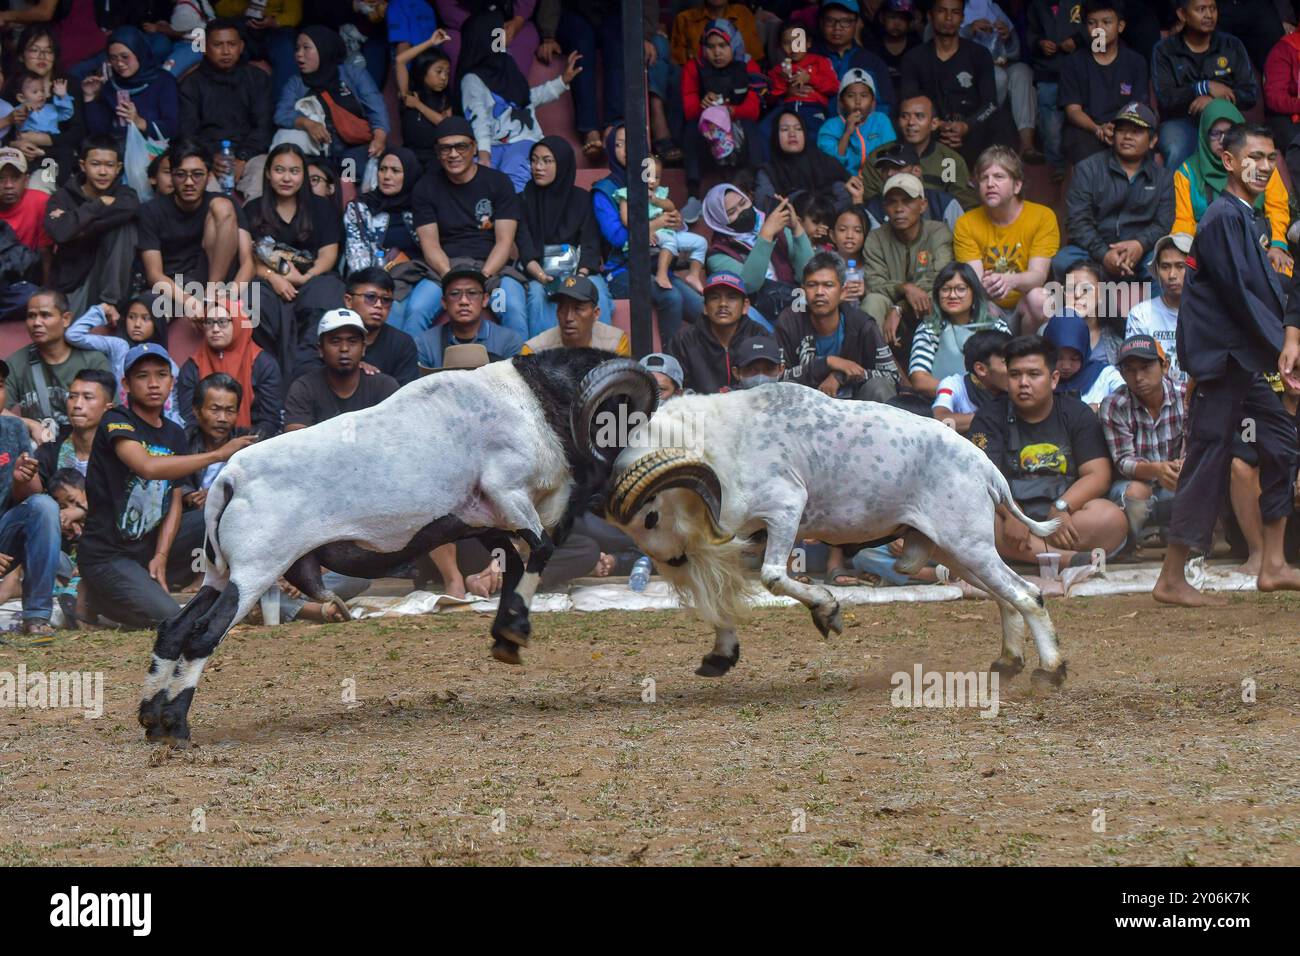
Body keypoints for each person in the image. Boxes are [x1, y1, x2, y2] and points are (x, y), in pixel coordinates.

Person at [1157, 123, 1300, 605]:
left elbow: (1260, 293)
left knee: (1280, 439)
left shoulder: (1249, 219)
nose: (1264, 166)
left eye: (1271, 158)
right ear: (1229, 161)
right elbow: (1240, 296)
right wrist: (1282, 345)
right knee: (1207, 458)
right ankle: (1172, 578)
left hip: (1241, 360)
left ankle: (1274, 563)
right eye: (1254, 157)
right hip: (1221, 361)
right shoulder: (1222, 216)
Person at [77, 342, 256, 629]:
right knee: (171, 617)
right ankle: (97, 599)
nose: (153, 384)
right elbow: (146, 467)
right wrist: (218, 454)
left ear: (171, 381)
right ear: (126, 384)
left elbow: (174, 497)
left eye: (161, 375)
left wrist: (161, 554)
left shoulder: (174, 432)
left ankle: (237, 591)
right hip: (107, 552)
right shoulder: (116, 420)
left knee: (220, 513)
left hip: (148, 546)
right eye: (142, 376)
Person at [968, 334, 1129, 567]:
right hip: (1011, 515)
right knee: (983, 522)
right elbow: (982, 478)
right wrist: (1013, 515)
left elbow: (1098, 474)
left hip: (1063, 515)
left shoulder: (1077, 413)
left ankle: (1029, 553)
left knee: (1110, 518)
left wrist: (1061, 508)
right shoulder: (989, 417)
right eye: (1015, 375)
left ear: (1054, 379)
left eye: (1033, 374)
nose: (1023, 383)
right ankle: (1069, 560)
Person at [410, 116, 528, 339]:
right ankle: (408, 374)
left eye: (460, 146)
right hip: (443, 271)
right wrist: (451, 278)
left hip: (493, 270)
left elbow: (504, 242)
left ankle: (522, 372)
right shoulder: (425, 187)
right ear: (437, 153)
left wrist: (481, 278)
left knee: (511, 307)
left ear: (474, 147)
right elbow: (430, 244)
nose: (453, 154)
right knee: (417, 309)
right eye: (445, 148)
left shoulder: (498, 182)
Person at [590, 124, 703, 346]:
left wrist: (673, 222)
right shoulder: (604, 190)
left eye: (633, 143)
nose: (627, 150)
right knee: (671, 298)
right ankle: (669, 365)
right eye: (619, 144)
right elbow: (617, 237)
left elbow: (668, 224)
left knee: (701, 308)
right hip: (622, 269)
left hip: (656, 265)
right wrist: (657, 224)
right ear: (612, 149)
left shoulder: (651, 184)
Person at [245, 141, 347, 380]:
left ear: (303, 175)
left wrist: (305, 277)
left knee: (329, 293)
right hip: (268, 281)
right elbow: (248, 258)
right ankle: (269, 376)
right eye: (279, 170)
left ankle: (308, 377)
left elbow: (328, 255)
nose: (286, 178)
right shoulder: (252, 209)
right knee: (253, 299)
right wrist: (274, 278)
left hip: (315, 277)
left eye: (294, 171)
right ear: (268, 173)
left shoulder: (321, 207)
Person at [457, 11, 581, 193]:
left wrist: (562, 81)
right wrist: (484, 155)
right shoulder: (472, 79)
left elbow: (527, 99)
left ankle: (516, 220)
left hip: (523, 140)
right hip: (490, 145)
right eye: (498, 33)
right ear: (483, 38)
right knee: (478, 178)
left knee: (514, 171)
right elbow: (479, 118)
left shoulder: (507, 63)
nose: (504, 36)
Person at [137, 138, 252, 328]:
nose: (189, 182)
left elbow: (248, 262)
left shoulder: (224, 203)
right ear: (172, 176)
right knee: (149, 309)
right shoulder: (151, 211)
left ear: (209, 176)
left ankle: (213, 293)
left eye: (197, 174)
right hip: (174, 286)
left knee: (223, 207)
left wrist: (226, 296)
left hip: (216, 282)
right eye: (181, 175)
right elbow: (154, 274)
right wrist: (190, 302)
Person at [1171, 99, 1293, 275]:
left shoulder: (1262, 166)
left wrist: (1278, 245)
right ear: (1204, 135)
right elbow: (1184, 221)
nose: (1223, 140)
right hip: (1207, 249)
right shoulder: (1186, 172)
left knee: (1281, 275)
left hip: (1259, 243)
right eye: (1215, 133)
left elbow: (1277, 208)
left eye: (1230, 132)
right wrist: (1182, 256)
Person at [1058, 101, 1174, 282]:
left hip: (1141, 253)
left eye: (1136, 132)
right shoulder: (1088, 169)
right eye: (1121, 130)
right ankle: (1077, 310)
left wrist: (1140, 244)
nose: (1127, 136)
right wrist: (1104, 254)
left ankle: (1155, 312)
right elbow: (1077, 221)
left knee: (1167, 264)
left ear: (1152, 141)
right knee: (1063, 261)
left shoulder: (1163, 178)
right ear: (1113, 135)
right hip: (1094, 252)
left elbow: (1163, 223)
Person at [952, 145, 1058, 333]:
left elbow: (1038, 276)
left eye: (999, 177)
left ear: (1017, 185)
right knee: (976, 304)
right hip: (991, 307)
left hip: (1025, 306)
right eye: (984, 178)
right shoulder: (966, 223)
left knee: (1040, 298)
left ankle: (1028, 353)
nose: (990, 183)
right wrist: (988, 285)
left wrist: (1010, 281)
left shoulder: (1042, 216)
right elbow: (975, 282)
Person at [1099, 334, 1186, 547]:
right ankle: (1131, 543)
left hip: (1178, 478)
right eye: (1130, 369)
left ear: (1164, 366)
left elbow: (1197, 444)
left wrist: (1182, 465)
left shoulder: (1185, 396)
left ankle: (1185, 540)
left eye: (1146, 367)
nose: (1138, 377)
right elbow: (1123, 461)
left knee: (1199, 479)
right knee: (1134, 492)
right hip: (1136, 483)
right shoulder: (1114, 405)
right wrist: (1156, 470)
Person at [776, 251, 900, 401]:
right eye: (812, 285)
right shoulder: (789, 322)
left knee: (880, 386)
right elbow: (777, 377)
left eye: (828, 285)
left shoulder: (862, 324)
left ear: (843, 292)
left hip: (857, 409)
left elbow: (891, 376)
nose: (819, 292)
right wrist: (826, 363)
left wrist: (841, 375)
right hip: (805, 408)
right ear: (803, 291)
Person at [519, 136, 612, 336]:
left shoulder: (581, 199)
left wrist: (579, 278)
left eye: (547, 160)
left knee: (596, 290)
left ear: (562, 164)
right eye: (534, 160)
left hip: (579, 271)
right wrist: (544, 278)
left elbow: (590, 244)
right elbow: (525, 248)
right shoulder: (524, 199)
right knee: (536, 294)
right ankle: (540, 361)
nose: (538, 167)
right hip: (540, 274)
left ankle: (603, 358)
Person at [899, 0, 1011, 164]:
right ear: (930, 16)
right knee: (907, 121)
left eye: (955, 12)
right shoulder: (914, 58)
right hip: (932, 132)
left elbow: (990, 103)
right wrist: (939, 126)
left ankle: (991, 176)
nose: (948, 17)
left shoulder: (979, 54)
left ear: (962, 18)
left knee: (1001, 119)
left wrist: (966, 126)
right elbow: (909, 101)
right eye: (942, 11)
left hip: (972, 130)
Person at [1152, 0, 1259, 171]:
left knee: (1250, 146)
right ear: (1182, 14)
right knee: (1176, 146)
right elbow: (1165, 99)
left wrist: (1215, 104)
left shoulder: (1232, 45)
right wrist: (1201, 88)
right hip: (1181, 122)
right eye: (1201, 9)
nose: (1209, 15)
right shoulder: (1165, 50)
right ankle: (1178, 198)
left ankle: (1236, 199)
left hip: (1226, 120)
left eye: (1213, 8)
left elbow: (1250, 94)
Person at [271, 26, 389, 175]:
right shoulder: (296, 83)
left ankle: (349, 195)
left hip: (355, 145)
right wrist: (307, 123)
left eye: (306, 48)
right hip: (319, 148)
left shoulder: (353, 74)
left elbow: (376, 108)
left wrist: (379, 137)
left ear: (323, 49)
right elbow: (281, 114)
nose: (299, 54)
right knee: (305, 168)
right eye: (297, 49)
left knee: (350, 169)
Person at [177, 17, 274, 198]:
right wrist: (212, 157)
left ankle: (254, 225)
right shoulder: (191, 85)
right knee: (207, 192)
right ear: (205, 47)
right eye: (218, 45)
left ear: (241, 47)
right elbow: (188, 132)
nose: (226, 51)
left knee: (261, 179)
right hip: (206, 156)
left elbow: (264, 126)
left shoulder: (257, 79)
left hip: (251, 155)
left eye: (232, 44)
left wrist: (243, 157)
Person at [42, 135, 138, 316]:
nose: (103, 172)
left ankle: (109, 304)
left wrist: (77, 227)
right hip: (72, 280)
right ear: (82, 165)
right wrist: (99, 203)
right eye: (95, 164)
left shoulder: (125, 195)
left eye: (109, 165)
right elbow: (60, 233)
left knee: (125, 227)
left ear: (118, 168)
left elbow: (129, 209)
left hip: (110, 282)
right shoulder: (62, 197)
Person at [341, 147, 432, 336]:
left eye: (395, 171)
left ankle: (411, 363)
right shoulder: (360, 208)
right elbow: (358, 259)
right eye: (382, 169)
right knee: (394, 308)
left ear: (409, 175)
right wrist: (378, 285)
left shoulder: (421, 208)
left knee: (417, 310)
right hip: (379, 278)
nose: (386, 176)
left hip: (419, 276)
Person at [861, 172, 955, 352]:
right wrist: (904, 288)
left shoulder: (938, 232)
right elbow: (874, 284)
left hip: (923, 307)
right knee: (873, 301)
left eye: (907, 201)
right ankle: (878, 365)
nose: (899, 208)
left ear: (923, 205)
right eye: (892, 202)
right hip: (888, 310)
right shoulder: (876, 238)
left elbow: (940, 278)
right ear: (884, 207)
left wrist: (900, 307)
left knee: (942, 296)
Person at [0, 366, 61, 644]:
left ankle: (36, 617)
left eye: (0, 385)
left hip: (4, 534)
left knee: (44, 506)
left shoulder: (12, 429)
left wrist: (23, 478)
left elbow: (30, 497)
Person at [682, 19, 767, 210]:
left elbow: (753, 110)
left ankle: (755, 189)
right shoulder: (694, 66)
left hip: (738, 133)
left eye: (723, 45)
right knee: (690, 128)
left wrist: (728, 110)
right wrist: (703, 106)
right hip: (709, 136)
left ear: (734, 44)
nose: (717, 52)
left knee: (753, 128)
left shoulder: (748, 64)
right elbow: (688, 110)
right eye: (710, 47)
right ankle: (694, 196)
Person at [702, 183, 813, 326]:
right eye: (731, 212)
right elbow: (748, 285)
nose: (742, 211)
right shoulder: (718, 254)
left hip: (795, 303)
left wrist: (796, 229)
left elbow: (808, 272)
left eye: (743, 203)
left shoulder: (777, 226)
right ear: (719, 221)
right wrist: (765, 237)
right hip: (760, 317)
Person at [1059, 0, 1150, 168]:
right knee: (1085, 155)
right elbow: (1073, 111)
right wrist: (1097, 129)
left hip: (1126, 127)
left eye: (1106, 22)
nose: (1098, 29)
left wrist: (1119, 130)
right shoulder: (1073, 63)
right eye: (1092, 23)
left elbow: (1139, 106)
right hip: (1086, 129)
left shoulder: (1135, 62)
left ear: (1120, 26)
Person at [176, 298, 282, 440]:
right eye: (208, 322)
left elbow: (269, 420)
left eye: (222, 322)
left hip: (251, 445)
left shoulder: (263, 364)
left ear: (237, 323)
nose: (215, 329)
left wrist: (246, 445)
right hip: (205, 447)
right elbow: (190, 418)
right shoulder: (192, 366)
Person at [5, 289, 112, 431]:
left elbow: (112, 412)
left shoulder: (93, 361)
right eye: (31, 316)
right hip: (37, 447)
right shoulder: (16, 363)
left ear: (66, 319)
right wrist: (30, 425)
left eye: (45, 315)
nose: (36, 322)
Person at [65, 293, 181, 424]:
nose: (137, 324)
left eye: (145, 318)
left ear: (157, 322)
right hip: (120, 422)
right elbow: (73, 335)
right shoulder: (119, 347)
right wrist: (102, 309)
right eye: (132, 317)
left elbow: (172, 409)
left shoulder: (170, 365)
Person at [284, 309, 400, 431]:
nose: (344, 348)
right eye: (335, 341)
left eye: (352, 341)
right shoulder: (304, 388)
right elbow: (295, 442)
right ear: (320, 349)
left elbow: (397, 436)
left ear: (363, 348)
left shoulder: (384, 387)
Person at [907, 260, 1008, 398]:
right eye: (945, 289)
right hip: (943, 405)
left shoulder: (996, 327)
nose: (952, 295)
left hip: (993, 404)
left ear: (974, 293)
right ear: (937, 295)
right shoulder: (929, 329)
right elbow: (919, 379)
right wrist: (962, 394)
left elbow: (1012, 370)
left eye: (961, 289)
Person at [863, 92, 978, 208]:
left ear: (934, 124)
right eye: (904, 116)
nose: (911, 122)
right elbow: (872, 204)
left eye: (919, 116)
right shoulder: (880, 158)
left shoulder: (950, 161)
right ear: (898, 122)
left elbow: (962, 205)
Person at [960, 0, 1039, 161]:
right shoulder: (958, 8)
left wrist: (1007, 37)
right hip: (972, 69)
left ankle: (1027, 145)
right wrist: (970, 30)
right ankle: (987, 137)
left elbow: (1014, 52)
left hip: (1001, 62)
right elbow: (950, 47)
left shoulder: (994, 8)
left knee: (1022, 72)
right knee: (998, 76)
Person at [80, 26, 179, 155]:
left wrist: (139, 122)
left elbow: (173, 129)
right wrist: (90, 97)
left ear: (139, 53)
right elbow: (99, 133)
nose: (119, 63)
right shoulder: (111, 85)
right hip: (117, 157)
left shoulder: (163, 81)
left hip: (155, 157)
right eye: (113, 58)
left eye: (125, 57)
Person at [666, 271, 768, 393]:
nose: (723, 304)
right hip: (701, 410)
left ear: (745, 306)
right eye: (714, 297)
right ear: (705, 307)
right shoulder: (684, 340)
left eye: (732, 297)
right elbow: (675, 387)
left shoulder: (759, 336)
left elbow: (767, 383)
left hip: (748, 408)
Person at [412, 265, 524, 370]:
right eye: (455, 293)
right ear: (444, 302)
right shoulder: (425, 344)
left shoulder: (509, 341)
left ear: (485, 300)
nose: (464, 301)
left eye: (472, 293)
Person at [1027, 0, 1088, 182]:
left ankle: (1078, 166)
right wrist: (1040, 44)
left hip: (1080, 71)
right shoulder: (1037, 5)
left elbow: (1096, 29)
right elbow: (1031, 35)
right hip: (1048, 72)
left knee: (1080, 121)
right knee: (1051, 126)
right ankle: (1057, 166)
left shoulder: (1081, 2)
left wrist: (1077, 41)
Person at [1125, 232, 1192, 386]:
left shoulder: (1210, 313)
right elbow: (1136, 369)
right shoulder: (1141, 315)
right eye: (1165, 267)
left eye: (1180, 266)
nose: (1172, 275)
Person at [755, 107, 851, 213]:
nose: (792, 134)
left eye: (798, 129)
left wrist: (821, 216)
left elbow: (848, 190)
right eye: (785, 129)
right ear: (775, 136)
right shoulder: (768, 172)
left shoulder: (822, 161)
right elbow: (766, 208)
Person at [33, 367, 115, 481]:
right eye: (72, 397)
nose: (77, 404)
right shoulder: (52, 449)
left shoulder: (119, 450)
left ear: (108, 408)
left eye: (87, 397)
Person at [861, 142, 964, 232]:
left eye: (897, 167)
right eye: (885, 169)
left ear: (916, 171)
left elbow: (962, 244)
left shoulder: (943, 203)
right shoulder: (874, 207)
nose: (890, 173)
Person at [342, 268, 418, 386]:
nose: (379, 305)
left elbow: (407, 394)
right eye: (370, 297)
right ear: (349, 301)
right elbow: (308, 372)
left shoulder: (402, 343)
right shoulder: (328, 334)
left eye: (386, 300)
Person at [813, 0, 895, 110]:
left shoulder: (873, 63)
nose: (837, 27)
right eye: (830, 21)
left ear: (856, 24)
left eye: (845, 21)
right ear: (821, 23)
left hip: (864, 126)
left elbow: (885, 106)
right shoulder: (808, 59)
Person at [0, 146, 52, 317]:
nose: (8, 186)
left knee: (30, 297)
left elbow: (46, 254)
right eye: (1, 179)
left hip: (18, 283)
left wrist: (47, 297)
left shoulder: (40, 202)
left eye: (15, 178)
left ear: (26, 180)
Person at [521, 275, 629, 355]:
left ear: (596, 314)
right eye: (563, 308)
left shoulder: (615, 343)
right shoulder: (533, 351)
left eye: (578, 309)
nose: (569, 318)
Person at [766, 22, 840, 140]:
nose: (794, 47)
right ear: (780, 46)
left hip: (813, 109)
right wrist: (785, 85)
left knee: (814, 138)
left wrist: (810, 79)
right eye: (787, 43)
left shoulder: (820, 62)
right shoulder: (778, 70)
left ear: (808, 43)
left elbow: (834, 87)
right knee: (767, 132)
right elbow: (770, 99)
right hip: (787, 110)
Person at [817, 67, 896, 176]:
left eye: (864, 96)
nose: (858, 102)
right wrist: (847, 133)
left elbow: (890, 157)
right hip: (844, 183)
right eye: (850, 96)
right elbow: (831, 167)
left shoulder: (881, 121)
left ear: (873, 102)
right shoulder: (829, 127)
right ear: (841, 102)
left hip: (877, 181)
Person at [395, 28, 455, 171]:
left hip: (435, 157)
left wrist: (418, 105)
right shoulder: (408, 93)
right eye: (439, 71)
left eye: (447, 73)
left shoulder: (444, 98)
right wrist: (430, 42)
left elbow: (445, 123)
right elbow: (399, 61)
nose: (444, 77)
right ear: (423, 70)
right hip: (410, 156)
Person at [1041, 308, 1126, 408]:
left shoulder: (1105, 376)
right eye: (1059, 358)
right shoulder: (1038, 378)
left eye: (1074, 359)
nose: (1066, 366)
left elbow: (1128, 397)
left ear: (1084, 353)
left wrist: (1100, 407)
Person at [932, 327, 1011, 432]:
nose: (1015, 368)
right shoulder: (954, 385)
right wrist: (997, 417)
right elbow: (941, 421)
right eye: (1006, 362)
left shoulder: (1021, 383)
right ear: (981, 369)